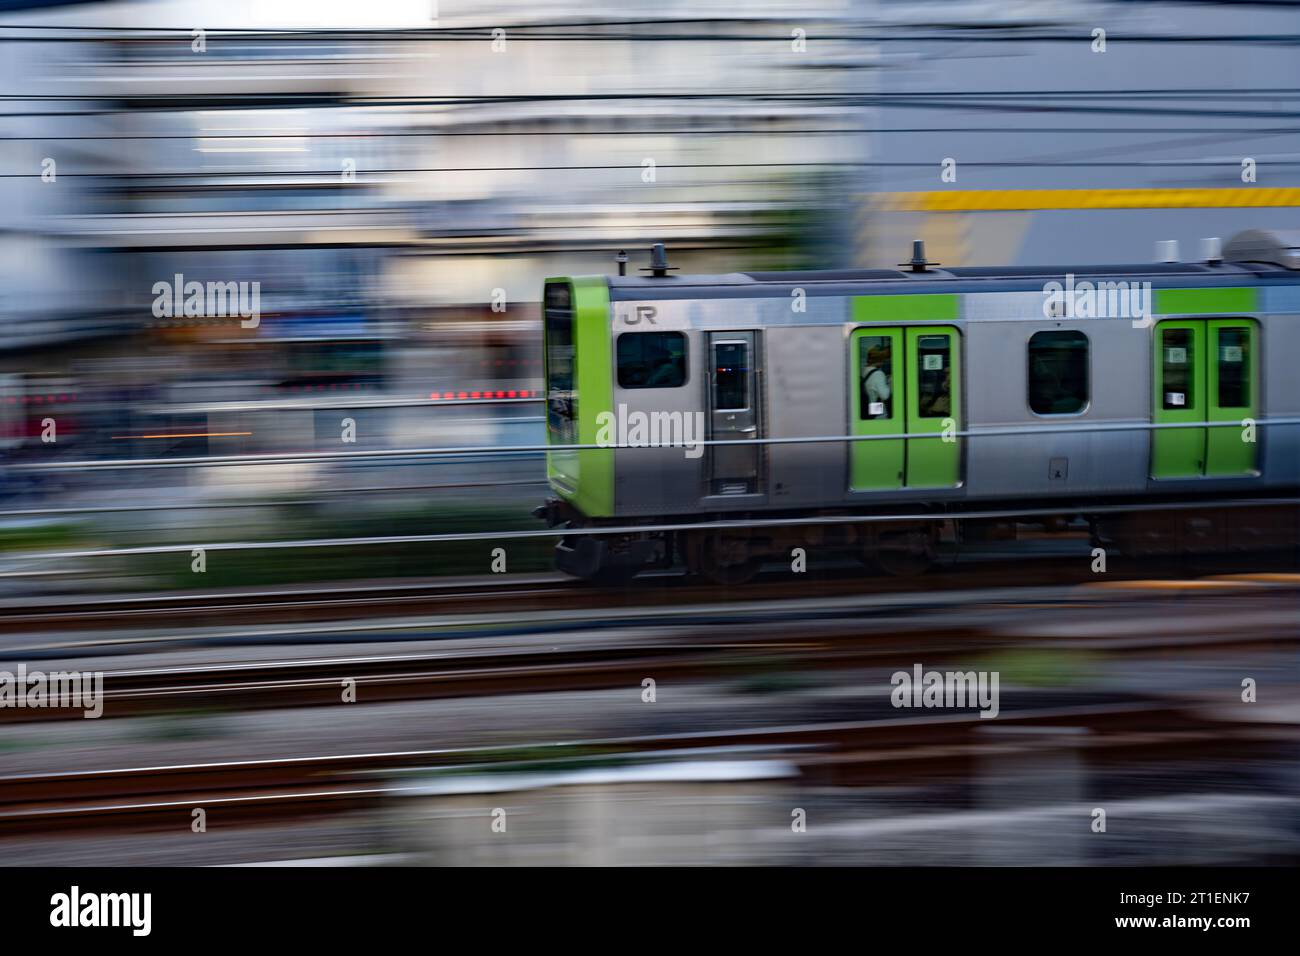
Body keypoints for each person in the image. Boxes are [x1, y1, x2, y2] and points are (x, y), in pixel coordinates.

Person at [861, 343, 892, 418]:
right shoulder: (878, 374)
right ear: (880, 359)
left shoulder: (864, 370)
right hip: (877, 414)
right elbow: (885, 396)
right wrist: (890, 381)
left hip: (869, 408)